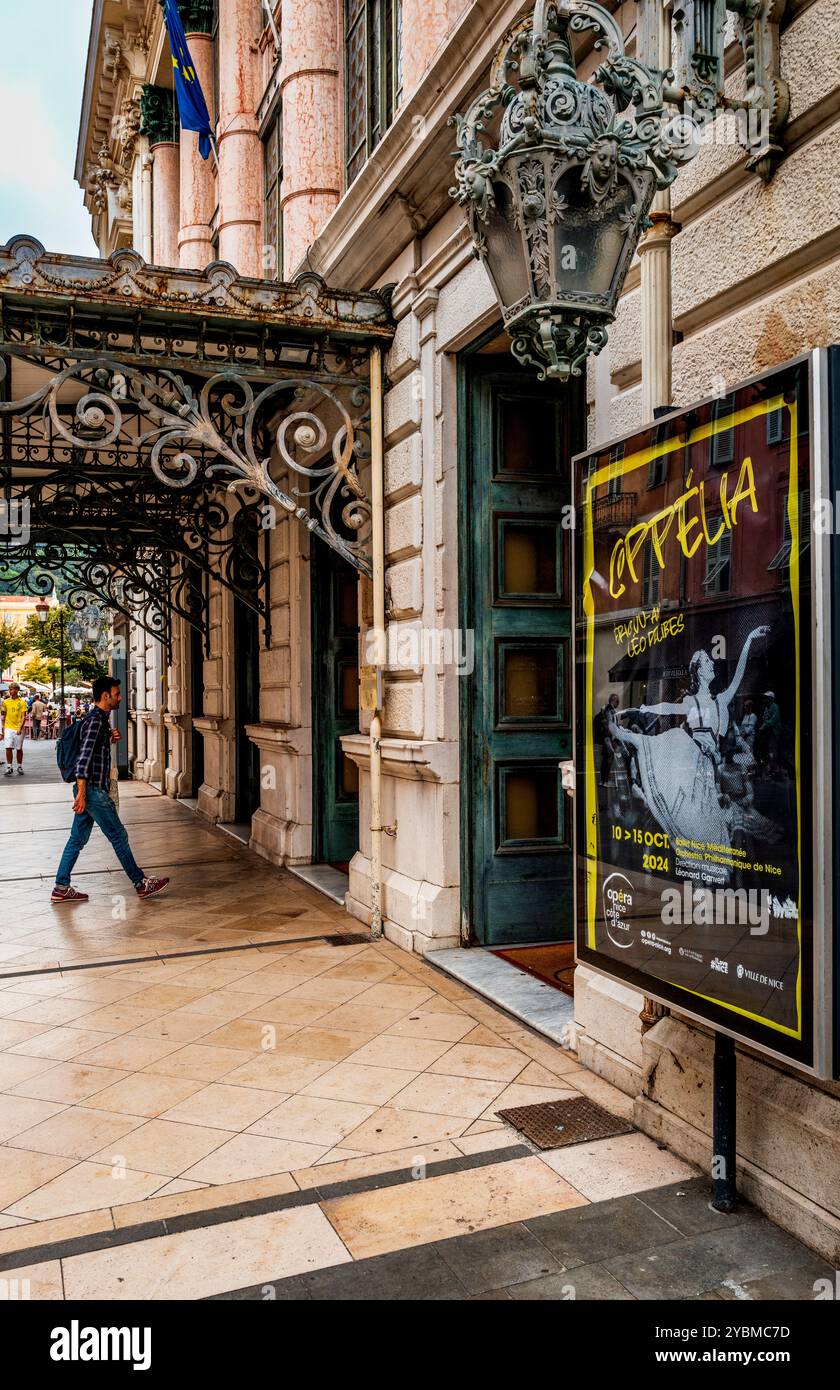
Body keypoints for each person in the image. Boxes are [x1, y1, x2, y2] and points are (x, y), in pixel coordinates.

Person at [610, 626, 771, 875]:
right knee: (665, 745)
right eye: (707, 662)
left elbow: (739, 675)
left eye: (710, 662)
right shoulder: (691, 702)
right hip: (692, 763)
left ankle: (711, 872)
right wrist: (644, 708)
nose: (712, 665)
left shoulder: (720, 700)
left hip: (710, 769)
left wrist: (748, 638)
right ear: (699, 671)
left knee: (713, 820)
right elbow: (667, 708)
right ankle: (626, 736)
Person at [51, 674, 169, 904]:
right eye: (116, 694)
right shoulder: (95, 721)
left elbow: (92, 751)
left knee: (77, 839)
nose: (120, 697)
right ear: (106, 696)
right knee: (118, 835)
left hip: (89, 789)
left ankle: (61, 887)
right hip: (93, 791)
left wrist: (109, 740)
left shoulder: (97, 720)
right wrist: (83, 794)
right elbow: (84, 760)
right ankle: (140, 883)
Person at [2, 682, 28, 776]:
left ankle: (19, 766)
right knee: (8, 747)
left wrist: (20, 728)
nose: (11, 691)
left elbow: (23, 716)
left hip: (18, 728)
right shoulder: (5, 702)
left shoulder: (22, 702)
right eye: (10, 689)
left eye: (12, 689)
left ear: (17, 690)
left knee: (19, 748)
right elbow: (3, 715)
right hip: (8, 728)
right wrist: (3, 727)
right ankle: (9, 766)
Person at [760, 690, 782, 776]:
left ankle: (775, 769)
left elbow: (774, 719)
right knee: (767, 749)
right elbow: (765, 718)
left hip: (774, 732)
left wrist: (765, 725)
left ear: (770, 699)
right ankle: (770, 768)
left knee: (773, 750)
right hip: (767, 732)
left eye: (766, 698)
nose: (764, 699)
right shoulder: (766, 708)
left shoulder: (775, 707)